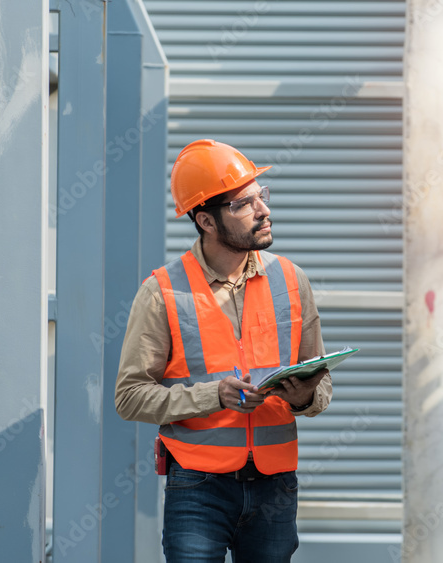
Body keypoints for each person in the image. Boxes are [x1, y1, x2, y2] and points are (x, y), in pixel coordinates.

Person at [114, 139, 332, 562]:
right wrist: (213, 395)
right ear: (206, 221)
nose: (263, 210)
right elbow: (129, 396)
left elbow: (320, 386)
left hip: (275, 486)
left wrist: (302, 395)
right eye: (243, 203)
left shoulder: (291, 280)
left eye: (261, 196)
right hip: (198, 487)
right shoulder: (162, 292)